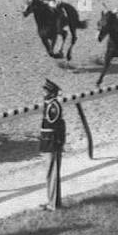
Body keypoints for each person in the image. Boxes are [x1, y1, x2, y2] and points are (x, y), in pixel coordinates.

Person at [39, 79, 65, 210]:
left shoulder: (53, 106)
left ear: (51, 93)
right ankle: (53, 202)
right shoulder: (50, 104)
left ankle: (53, 204)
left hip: (52, 143)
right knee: (51, 173)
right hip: (48, 142)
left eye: (46, 91)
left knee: (52, 173)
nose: (43, 93)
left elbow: (53, 124)